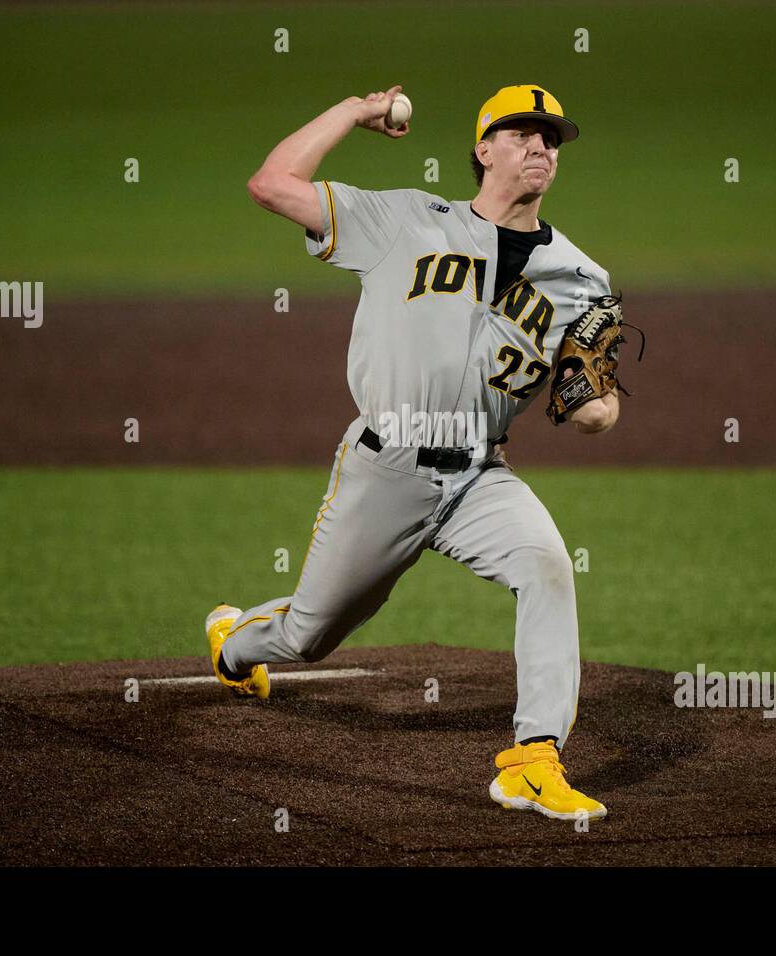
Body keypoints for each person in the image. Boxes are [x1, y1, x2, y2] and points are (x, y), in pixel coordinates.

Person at [207, 84, 620, 821]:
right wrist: (351, 112)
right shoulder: (402, 219)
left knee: (549, 567)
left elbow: (592, 406)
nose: (538, 148)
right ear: (482, 149)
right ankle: (237, 644)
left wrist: (600, 406)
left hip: (481, 474)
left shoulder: (581, 278)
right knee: (310, 634)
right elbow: (271, 185)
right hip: (386, 464)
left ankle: (533, 759)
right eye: (521, 133)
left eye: (550, 139)